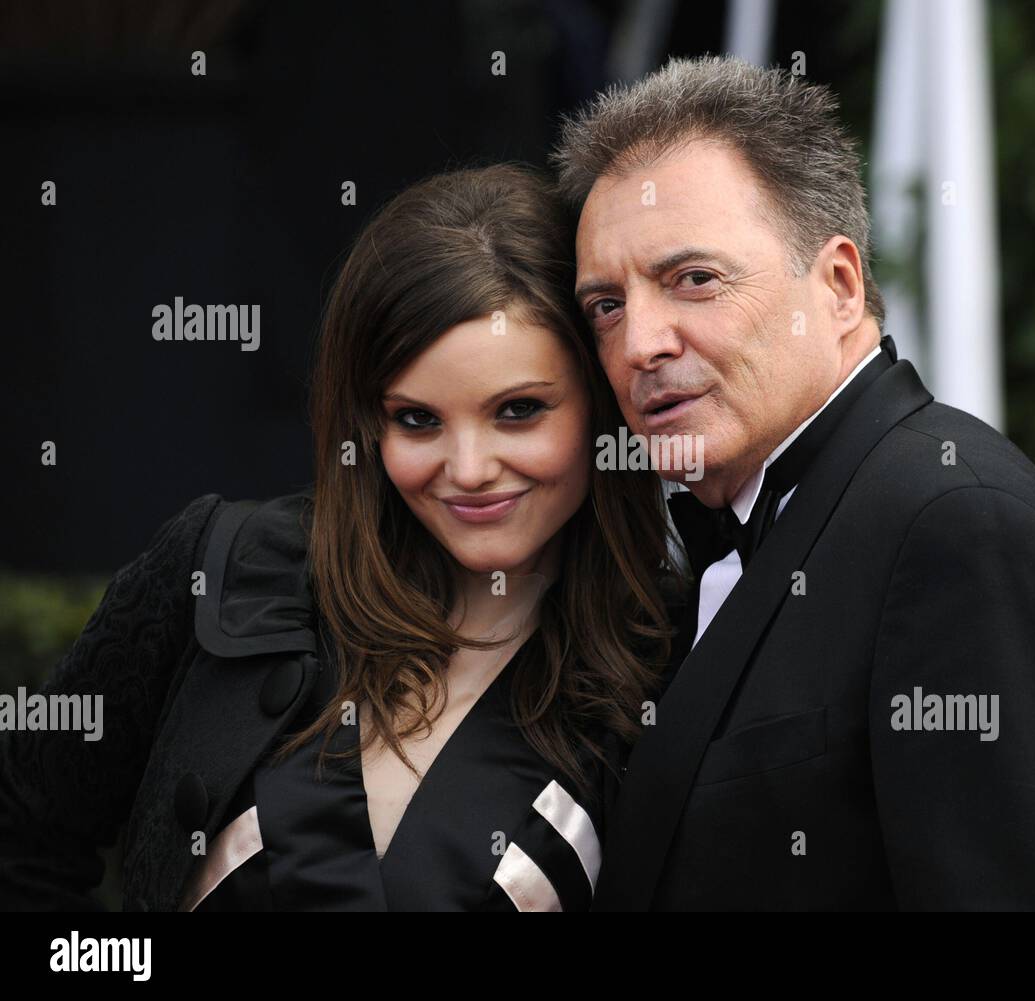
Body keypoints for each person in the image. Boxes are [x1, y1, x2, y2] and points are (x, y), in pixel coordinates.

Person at [551, 55, 1035, 910]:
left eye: (693, 280)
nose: (638, 345)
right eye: (606, 306)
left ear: (840, 286)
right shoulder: (724, 537)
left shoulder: (963, 531)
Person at [0, 163, 678, 912]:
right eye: (417, 419)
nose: (470, 469)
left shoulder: (667, 664)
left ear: (599, 403)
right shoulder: (223, 571)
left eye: (518, 410)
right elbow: (21, 830)